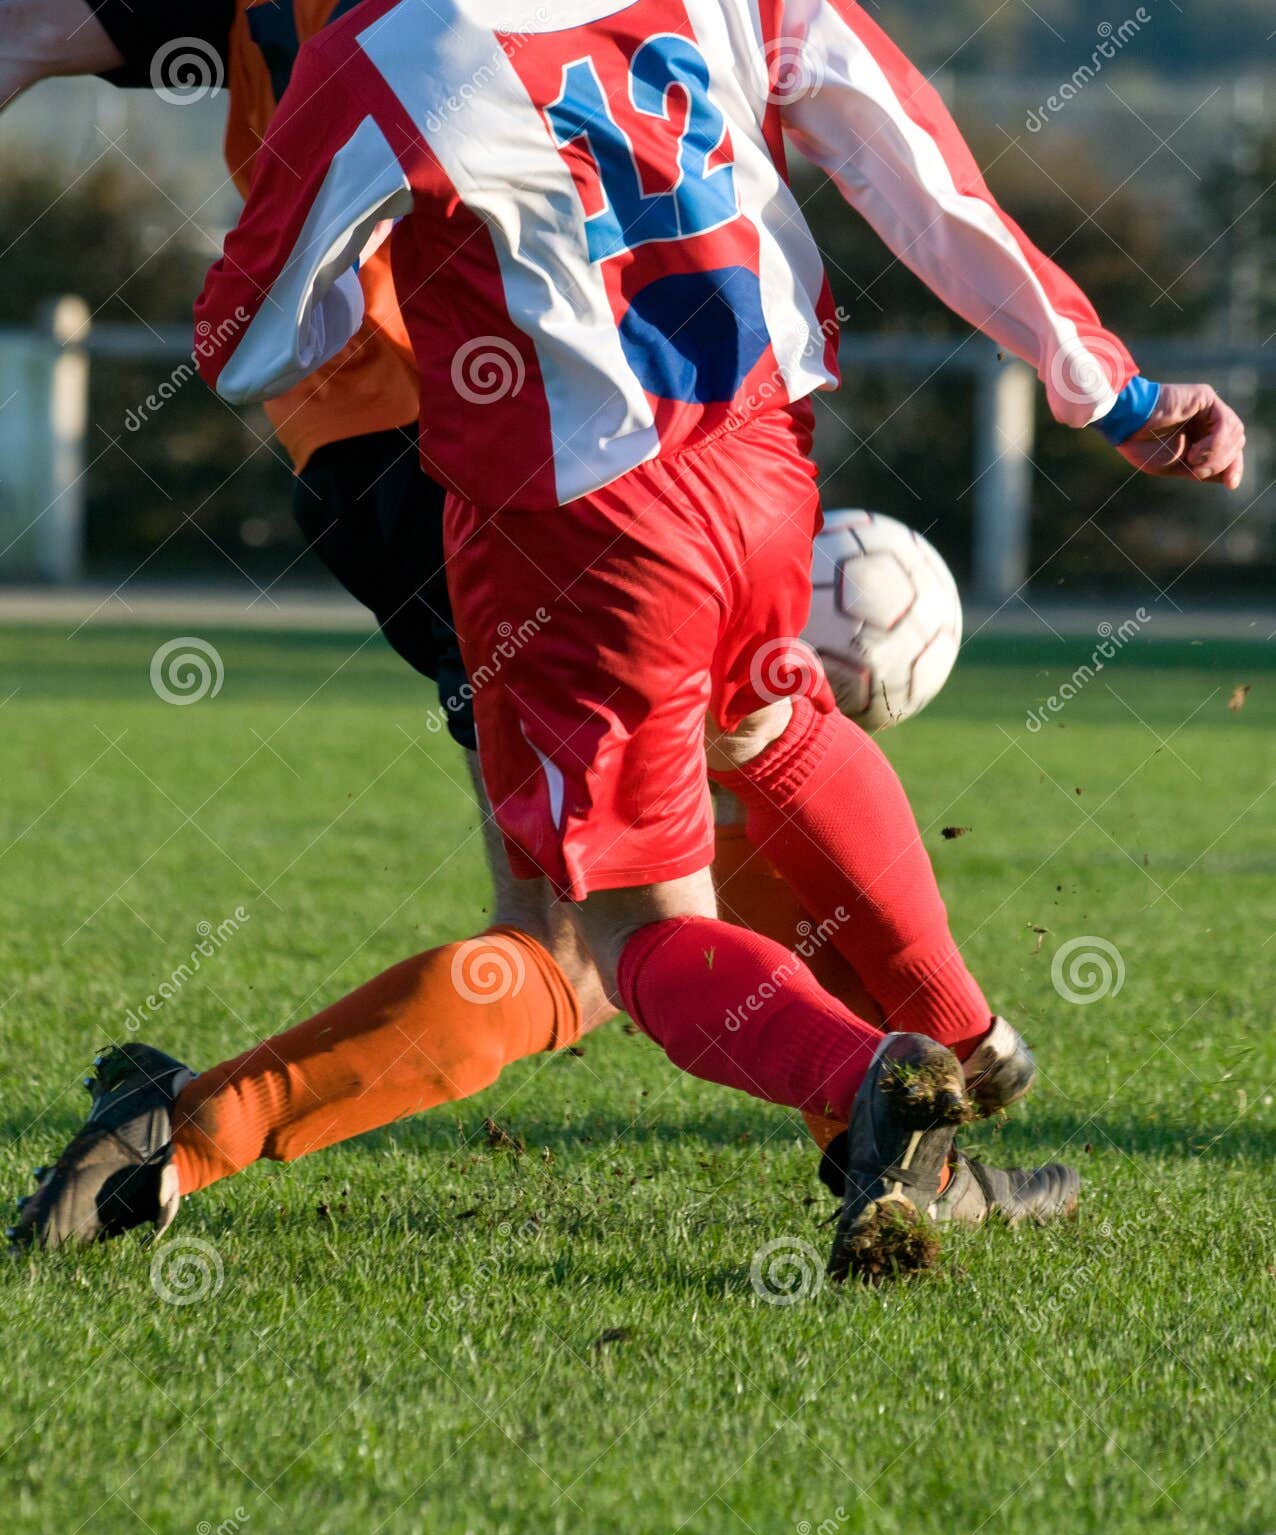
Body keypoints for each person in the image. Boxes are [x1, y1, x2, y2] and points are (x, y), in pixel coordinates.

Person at [20, 0, 1242, 1273]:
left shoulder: (386, 44)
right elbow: (915, 170)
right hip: (762, 454)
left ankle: (875, 1081)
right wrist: (1112, 388)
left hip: (545, 501)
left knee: (607, 941)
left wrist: (375, 270)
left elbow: (244, 337)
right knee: (764, 728)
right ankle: (951, 1047)